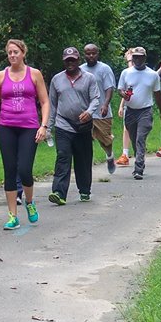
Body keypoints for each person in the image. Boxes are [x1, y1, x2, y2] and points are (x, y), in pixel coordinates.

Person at [0, 39, 50, 230]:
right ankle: (13, 216)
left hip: (29, 127)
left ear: (23, 53)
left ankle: (29, 201)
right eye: (10, 52)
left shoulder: (34, 74)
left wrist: (43, 126)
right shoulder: (0, 76)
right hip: (7, 127)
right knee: (9, 170)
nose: (12, 55)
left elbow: (45, 102)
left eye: (16, 52)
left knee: (25, 169)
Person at [48, 47, 100, 204]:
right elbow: (52, 105)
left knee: (83, 159)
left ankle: (84, 190)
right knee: (63, 156)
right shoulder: (57, 79)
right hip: (63, 124)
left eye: (73, 60)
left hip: (83, 125)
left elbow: (96, 98)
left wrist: (90, 112)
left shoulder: (89, 78)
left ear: (78, 60)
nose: (70, 63)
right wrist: (48, 127)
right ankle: (59, 192)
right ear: (63, 61)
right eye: (67, 60)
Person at [116, 47, 161, 180]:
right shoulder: (126, 73)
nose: (137, 59)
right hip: (130, 111)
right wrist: (124, 95)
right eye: (135, 57)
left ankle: (139, 168)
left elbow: (158, 95)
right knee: (134, 139)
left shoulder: (152, 75)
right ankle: (139, 158)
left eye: (140, 57)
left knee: (140, 138)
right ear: (132, 58)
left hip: (145, 111)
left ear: (145, 58)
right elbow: (120, 89)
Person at [79, 44, 117, 173]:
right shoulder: (80, 69)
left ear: (98, 54)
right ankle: (85, 166)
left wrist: (105, 104)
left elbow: (109, 88)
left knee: (105, 140)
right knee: (83, 140)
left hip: (101, 112)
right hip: (84, 112)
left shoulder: (104, 69)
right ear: (84, 55)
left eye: (93, 53)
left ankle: (110, 155)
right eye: (88, 53)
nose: (91, 56)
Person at [114, 49, 134, 167]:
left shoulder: (143, 72)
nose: (130, 63)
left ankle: (139, 152)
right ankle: (125, 154)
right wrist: (121, 105)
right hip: (129, 105)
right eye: (128, 61)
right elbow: (125, 92)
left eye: (131, 60)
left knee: (138, 131)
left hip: (142, 106)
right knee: (126, 128)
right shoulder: (126, 73)